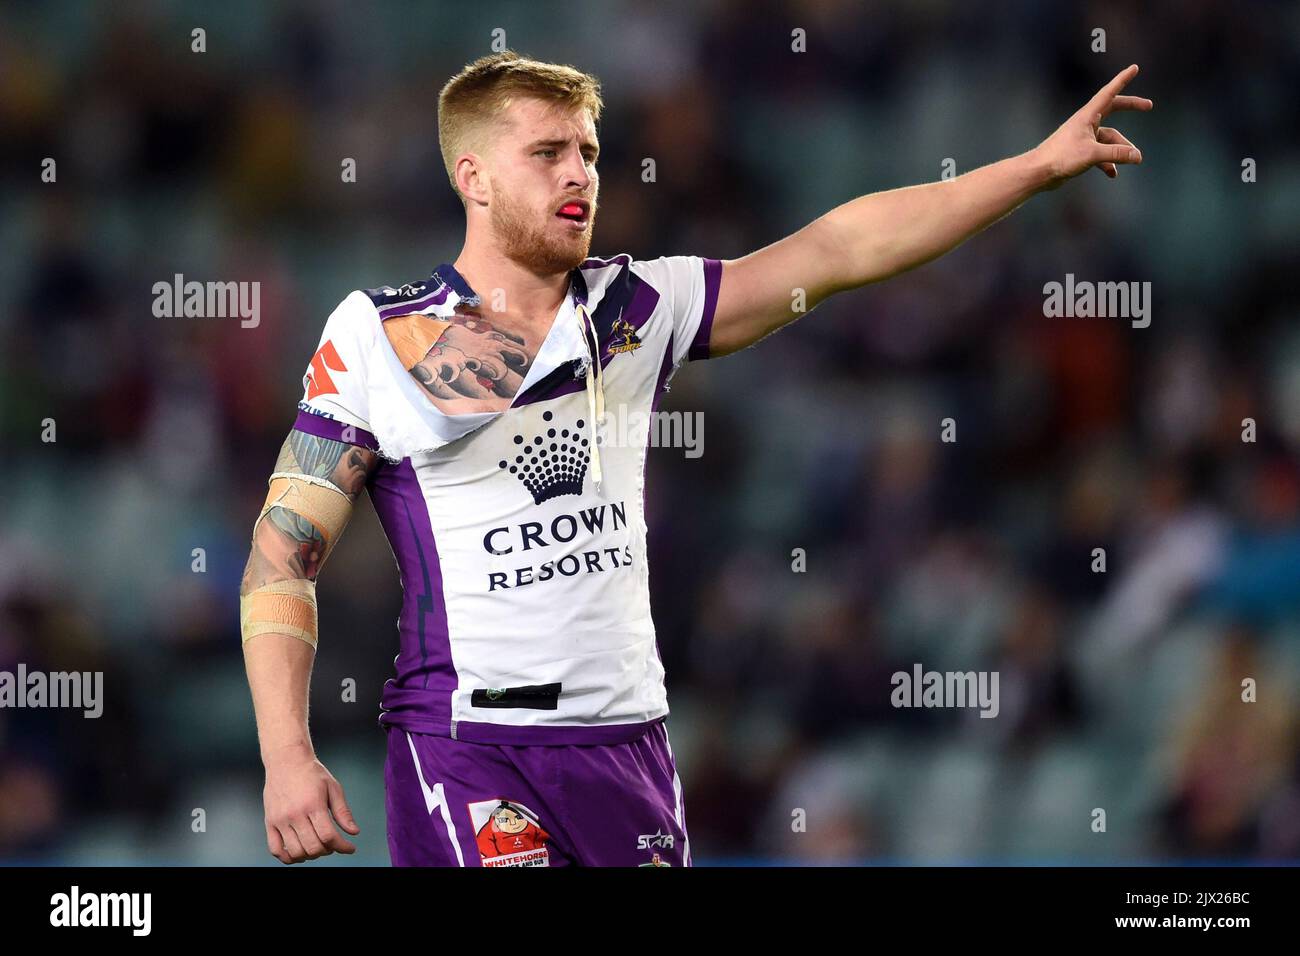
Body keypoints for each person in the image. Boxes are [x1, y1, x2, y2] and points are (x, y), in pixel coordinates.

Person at [239, 51, 1151, 866]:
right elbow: (285, 553)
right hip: (471, 741)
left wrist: (1032, 170)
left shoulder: (639, 306)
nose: (581, 175)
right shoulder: (376, 335)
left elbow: (836, 249)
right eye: (549, 152)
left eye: (590, 153)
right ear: (472, 176)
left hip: (629, 744)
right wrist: (288, 758)